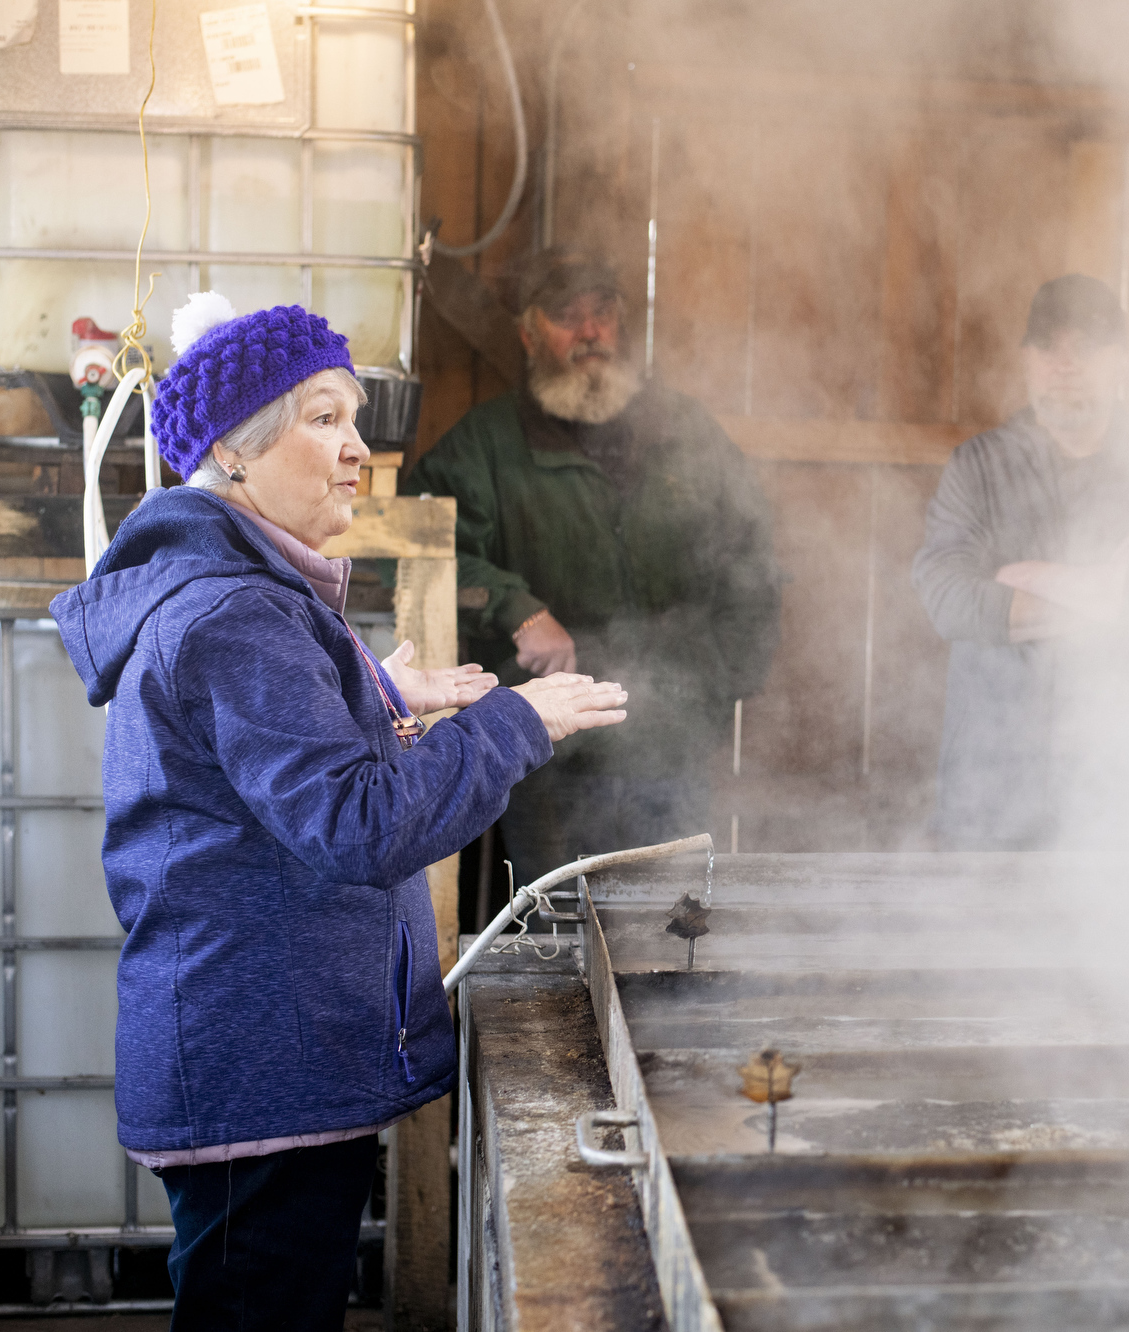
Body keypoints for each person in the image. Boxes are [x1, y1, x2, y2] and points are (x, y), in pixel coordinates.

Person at [50, 295, 629, 1331]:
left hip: (265, 1062)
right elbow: (357, 826)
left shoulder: (234, 591)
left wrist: (380, 701)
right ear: (234, 448)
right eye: (322, 418)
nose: (359, 449)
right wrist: (518, 725)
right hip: (264, 1074)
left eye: (356, 418)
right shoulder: (236, 612)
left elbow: (254, 780)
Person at [412, 249, 781, 881]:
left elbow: (756, 556)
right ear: (529, 334)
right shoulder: (486, 445)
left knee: (677, 928)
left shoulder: (686, 432)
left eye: (601, 314)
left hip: (672, 738)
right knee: (556, 938)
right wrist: (517, 607)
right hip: (549, 754)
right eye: (566, 316)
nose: (589, 333)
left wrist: (723, 679)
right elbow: (419, 546)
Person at [912, 275, 1129, 850]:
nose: (1066, 363)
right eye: (1049, 347)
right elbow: (949, 599)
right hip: (990, 795)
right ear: (1026, 360)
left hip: (1126, 796)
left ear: (1122, 362)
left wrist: (1023, 583)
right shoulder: (977, 467)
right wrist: (1103, 592)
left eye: (1087, 347)